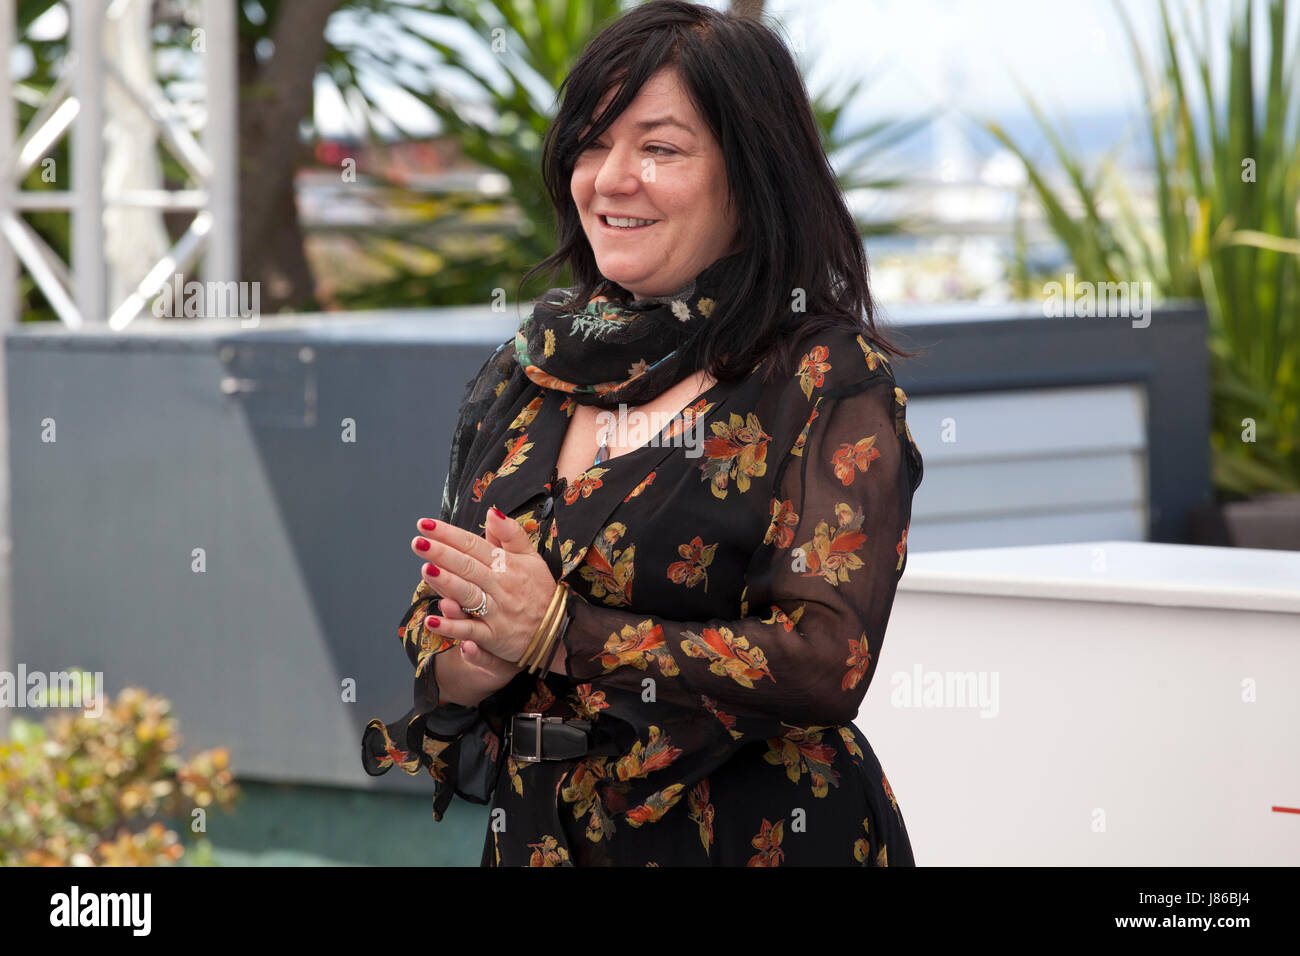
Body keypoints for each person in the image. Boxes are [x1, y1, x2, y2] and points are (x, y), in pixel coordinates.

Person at [361, 0, 925, 867]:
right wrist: (479, 645)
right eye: (592, 143)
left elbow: (827, 662)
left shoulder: (823, 376)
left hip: (756, 839)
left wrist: (559, 630)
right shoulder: (531, 366)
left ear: (752, 174)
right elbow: (442, 627)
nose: (611, 178)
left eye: (659, 148)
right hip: (540, 839)